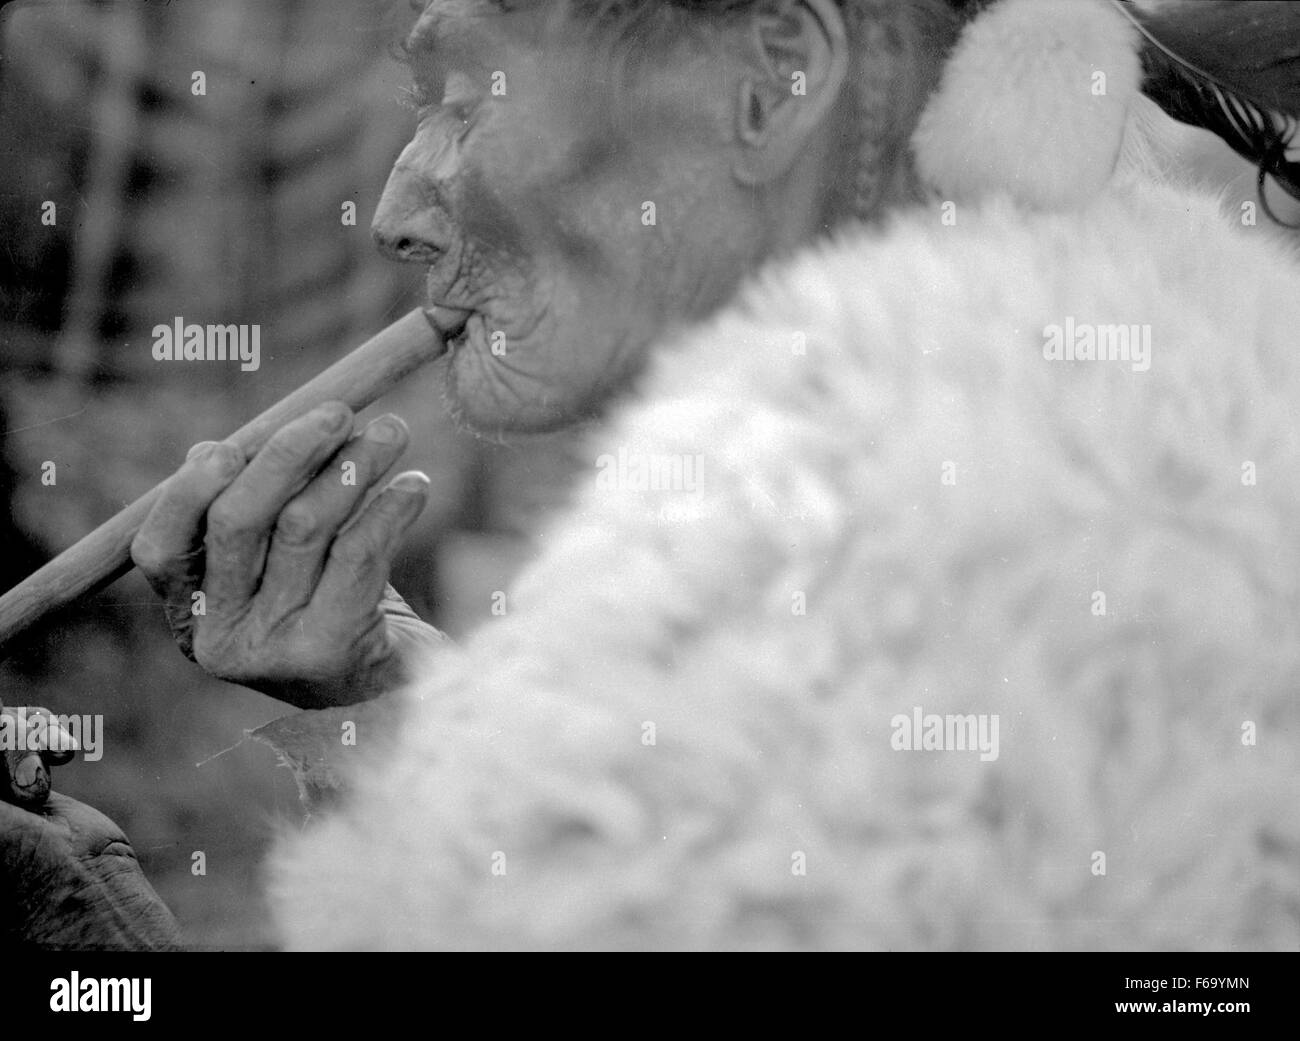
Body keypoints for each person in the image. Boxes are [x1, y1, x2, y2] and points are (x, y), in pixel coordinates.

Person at [7, 0, 1300, 950]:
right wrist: (373, 689)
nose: (398, 213)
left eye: (464, 95)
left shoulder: (959, 520)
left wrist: (83, 954)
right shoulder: (1009, 398)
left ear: (773, 82)